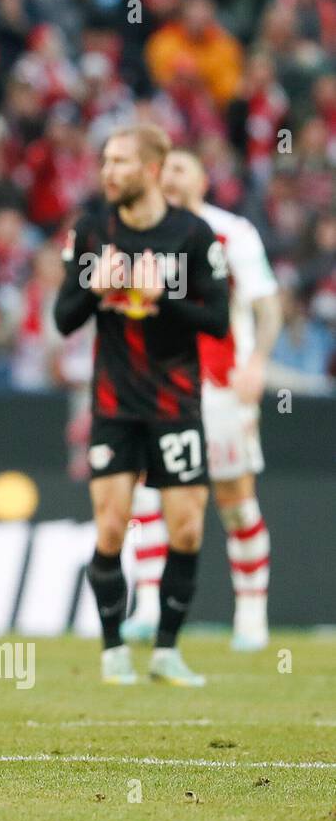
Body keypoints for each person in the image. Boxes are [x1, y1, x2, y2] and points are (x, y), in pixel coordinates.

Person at [53, 124, 229, 687]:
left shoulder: (194, 236)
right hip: (113, 403)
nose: (108, 171)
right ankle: (111, 651)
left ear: (152, 170)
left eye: (122, 162)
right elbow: (64, 319)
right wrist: (94, 289)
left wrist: (165, 298)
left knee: (186, 531)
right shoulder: (90, 232)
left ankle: (167, 652)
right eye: (106, 161)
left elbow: (219, 321)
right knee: (111, 528)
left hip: (176, 403)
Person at [122, 149, 281, 651]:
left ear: (203, 180)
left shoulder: (233, 232)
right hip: (162, 382)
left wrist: (256, 364)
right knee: (149, 489)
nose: (167, 177)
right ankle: (147, 605)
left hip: (221, 383)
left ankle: (251, 614)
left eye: (178, 169)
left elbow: (266, 303)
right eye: (162, 168)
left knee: (234, 500)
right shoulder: (141, 233)